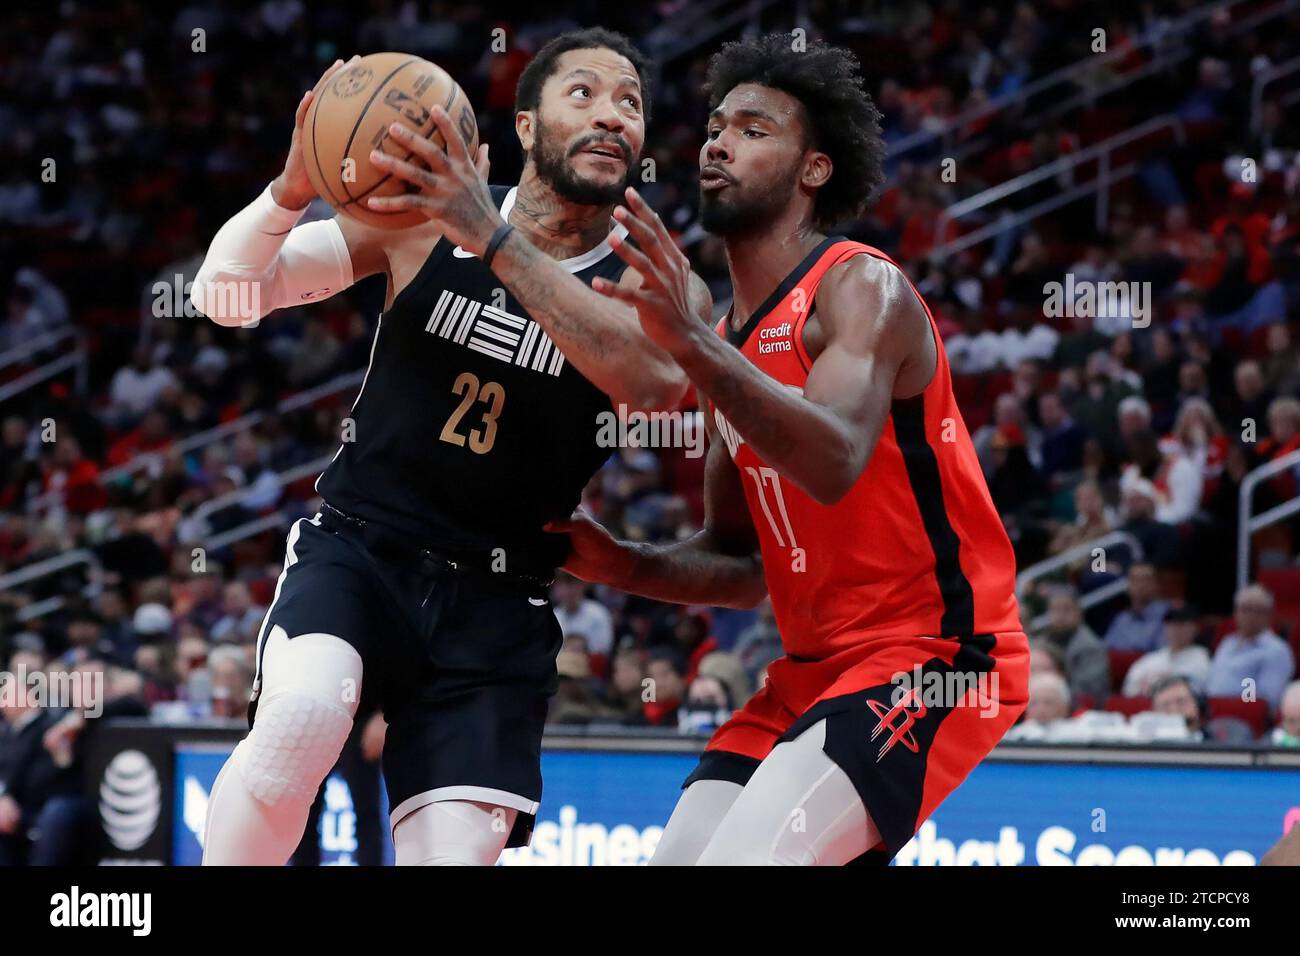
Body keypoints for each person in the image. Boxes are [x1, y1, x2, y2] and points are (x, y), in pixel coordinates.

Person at [190, 29, 711, 867]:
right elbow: (225, 297)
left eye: (631, 103)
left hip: (498, 602)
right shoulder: (418, 218)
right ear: (528, 127)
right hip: (361, 549)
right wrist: (291, 191)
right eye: (583, 94)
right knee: (300, 721)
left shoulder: (660, 277)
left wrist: (493, 241)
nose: (612, 115)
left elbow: (653, 387)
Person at [552, 34, 1028, 865]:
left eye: (753, 128)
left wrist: (695, 345)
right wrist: (615, 561)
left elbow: (837, 457)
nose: (718, 141)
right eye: (713, 126)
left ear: (813, 169)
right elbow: (740, 564)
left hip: (938, 653)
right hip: (811, 669)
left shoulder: (858, 287)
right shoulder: (731, 337)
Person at [1205, 584, 1295, 711]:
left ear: (1269, 615)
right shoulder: (1227, 642)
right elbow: (1211, 683)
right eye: (1245, 609)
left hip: (1244, 717)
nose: (1251, 616)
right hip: (1210, 713)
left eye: (1258, 611)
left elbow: (1266, 702)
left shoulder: (1276, 650)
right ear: (1236, 612)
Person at [1121, 604, 1211, 697]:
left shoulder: (1204, 660)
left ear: (1195, 627)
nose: (1176, 628)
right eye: (1171, 622)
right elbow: (1129, 693)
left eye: (1182, 622)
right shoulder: (1149, 659)